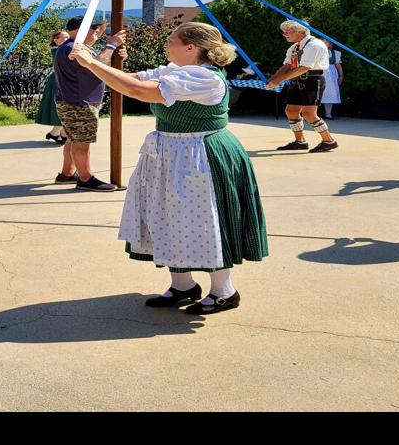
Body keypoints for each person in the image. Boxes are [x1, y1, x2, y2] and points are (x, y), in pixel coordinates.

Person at [69, 22, 267, 315]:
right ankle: (183, 285)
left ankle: (224, 291)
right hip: (172, 153)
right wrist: (93, 57)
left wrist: (90, 62)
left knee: (205, 220)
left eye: (172, 40)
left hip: (201, 154)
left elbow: (136, 90)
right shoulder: (174, 70)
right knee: (169, 216)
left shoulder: (204, 78)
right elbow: (127, 78)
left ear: (191, 48)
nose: (166, 45)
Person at [51, 17, 122, 189]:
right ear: (80, 29)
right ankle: (85, 178)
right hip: (78, 103)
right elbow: (98, 63)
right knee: (82, 143)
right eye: (93, 28)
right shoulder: (73, 48)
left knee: (73, 140)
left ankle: (67, 173)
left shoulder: (71, 47)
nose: (96, 32)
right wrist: (111, 45)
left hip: (74, 101)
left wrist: (111, 46)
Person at [263, 20, 337, 153]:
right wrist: (272, 79)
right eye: (284, 32)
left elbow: (304, 68)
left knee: (309, 113)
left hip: (313, 80)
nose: (284, 34)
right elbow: (287, 66)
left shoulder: (314, 45)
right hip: (298, 80)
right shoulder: (294, 47)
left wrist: (278, 81)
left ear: (299, 32)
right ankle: (300, 141)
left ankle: (328, 141)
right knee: (291, 110)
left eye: (287, 32)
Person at [35, 30, 68, 145]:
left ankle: (61, 133)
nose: (67, 39)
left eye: (67, 37)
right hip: (59, 81)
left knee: (65, 106)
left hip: (62, 80)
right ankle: (57, 133)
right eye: (64, 38)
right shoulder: (58, 50)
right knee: (60, 106)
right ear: (56, 40)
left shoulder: (63, 49)